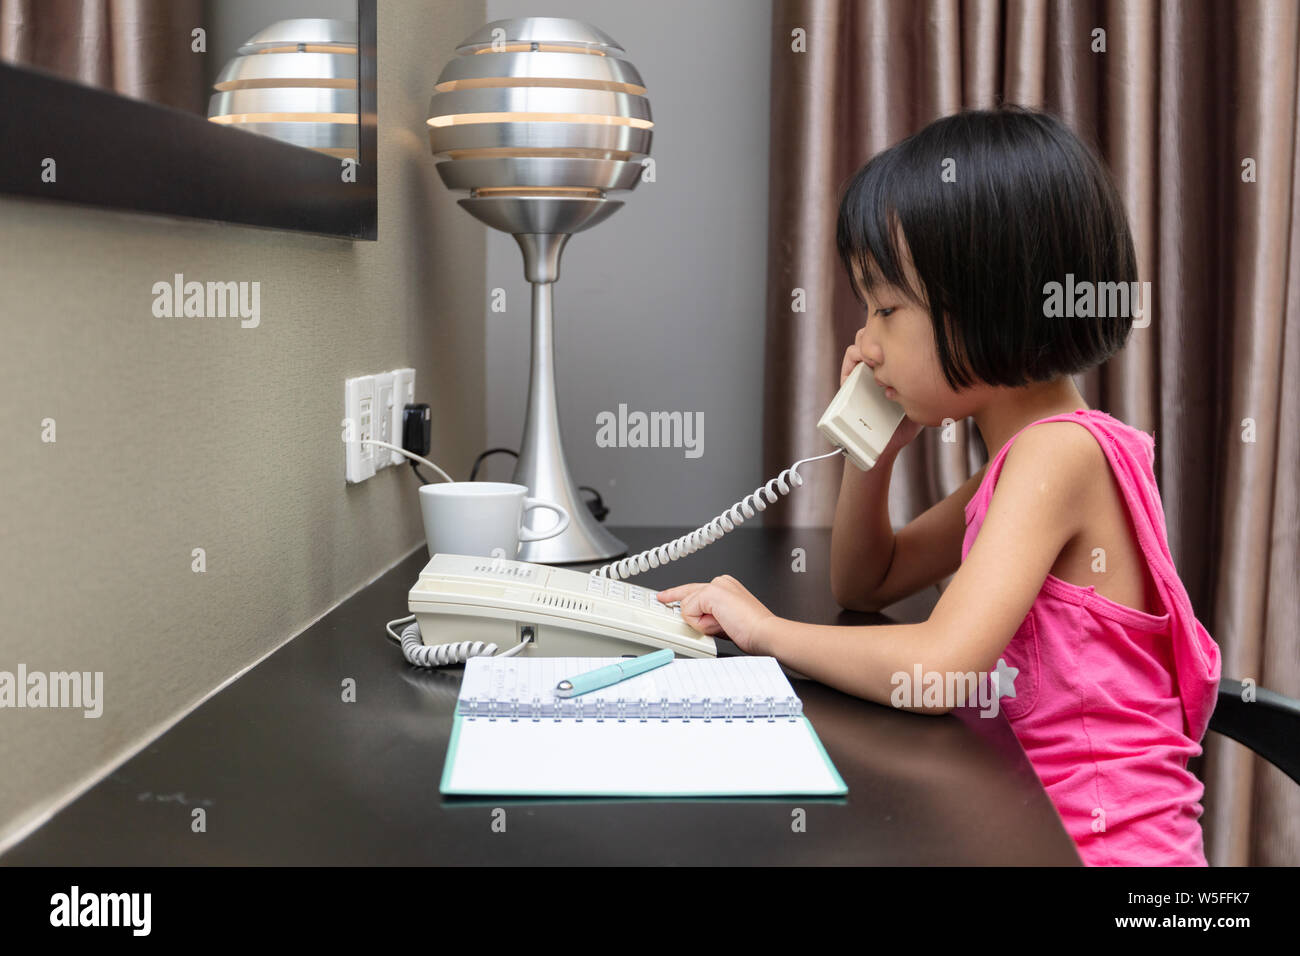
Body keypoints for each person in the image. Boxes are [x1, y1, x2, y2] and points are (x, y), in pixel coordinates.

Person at [656, 105, 1221, 867]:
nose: (864, 343)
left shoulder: (1059, 458)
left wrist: (766, 633)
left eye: (887, 308)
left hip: (1102, 855)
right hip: (1024, 824)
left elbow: (941, 670)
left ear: (993, 303)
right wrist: (874, 455)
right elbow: (867, 582)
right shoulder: (1023, 459)